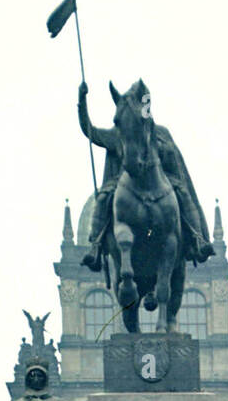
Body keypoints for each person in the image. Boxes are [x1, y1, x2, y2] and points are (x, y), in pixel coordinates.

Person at [77, 79, 214, 274]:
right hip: (124, 183)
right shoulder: (119, 134)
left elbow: (173, 161)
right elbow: (89, 131)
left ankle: (197, 237)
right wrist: (82, 102)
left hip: (161, 181)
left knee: (183, 194)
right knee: (104, 197)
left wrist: (162, 150)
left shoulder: (160, 133)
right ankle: (95, 245)